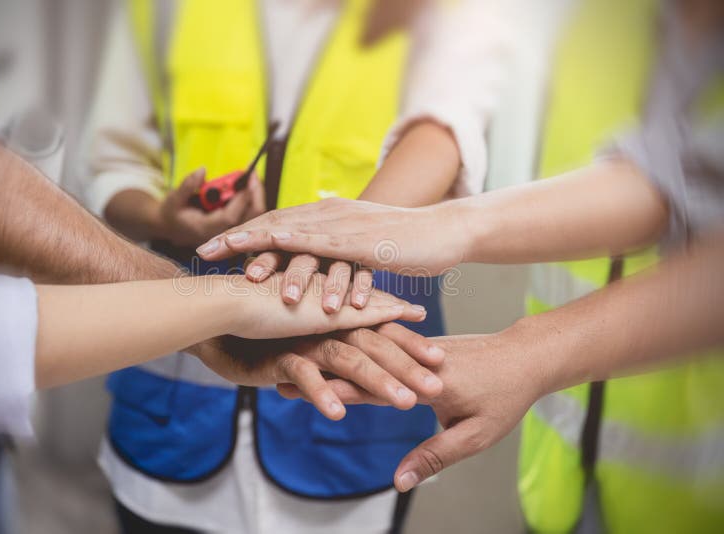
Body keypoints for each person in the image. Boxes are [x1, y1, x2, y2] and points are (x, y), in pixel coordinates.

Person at [199, 0, 724, 531]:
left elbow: (689, 182)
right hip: (560, 475)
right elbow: (670, 174)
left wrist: (528, 349)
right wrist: (429, 227)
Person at [80, 1, 518, 531]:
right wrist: (166, 218)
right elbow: (110, 163)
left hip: (349, 423)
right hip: (173, 405)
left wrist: (346, 236)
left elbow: (447, 125)